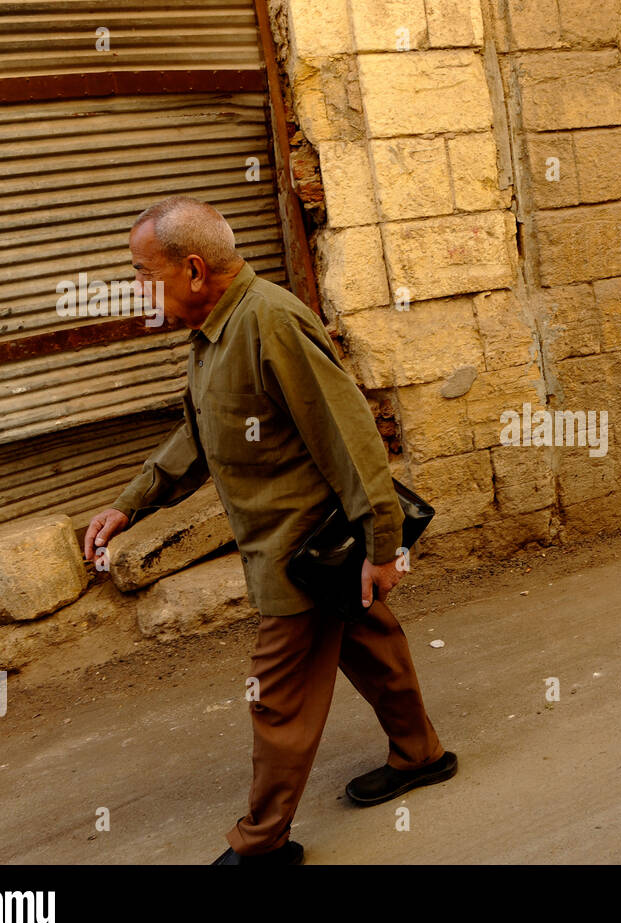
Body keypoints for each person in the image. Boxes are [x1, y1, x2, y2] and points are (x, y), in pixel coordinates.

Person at [84, 196, 456, 865]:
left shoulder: (271, 322)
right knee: (373, 643)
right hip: (294, 546)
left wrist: (383, 544)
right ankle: (420, 753)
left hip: (307, 551)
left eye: (144, 271)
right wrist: (130, 505)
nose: (135, 288)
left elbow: (351, 437)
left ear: (194, 269)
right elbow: (202, 432)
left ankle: (260, 844)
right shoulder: (215, 334)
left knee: (277, 698)